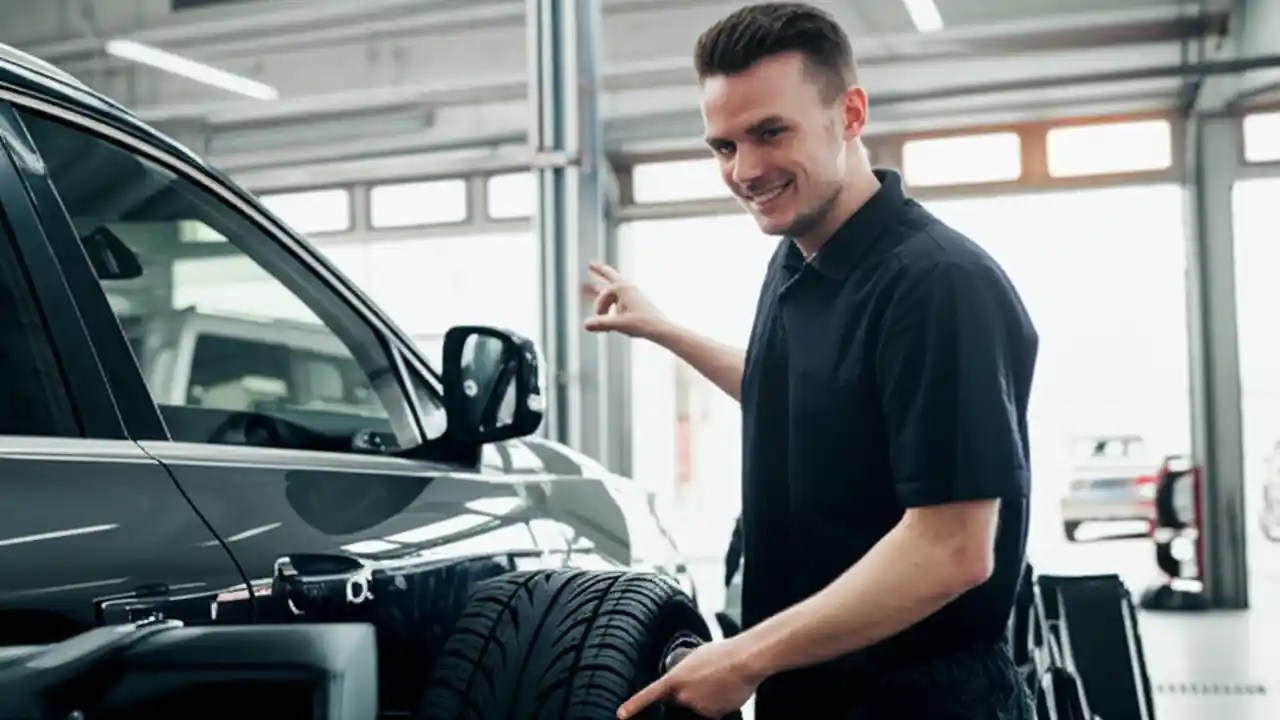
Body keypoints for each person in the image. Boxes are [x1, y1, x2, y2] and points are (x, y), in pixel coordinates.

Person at [585, 3, 1040, 719]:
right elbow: (801, 398)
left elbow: (953, 548)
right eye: (724, 146)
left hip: (918, 703)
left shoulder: (938, 283)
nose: (746, 169)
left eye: (770, 132)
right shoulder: (798, 260)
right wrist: (663, 329)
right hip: (810, 686)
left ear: (850, 112)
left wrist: (744, 657)